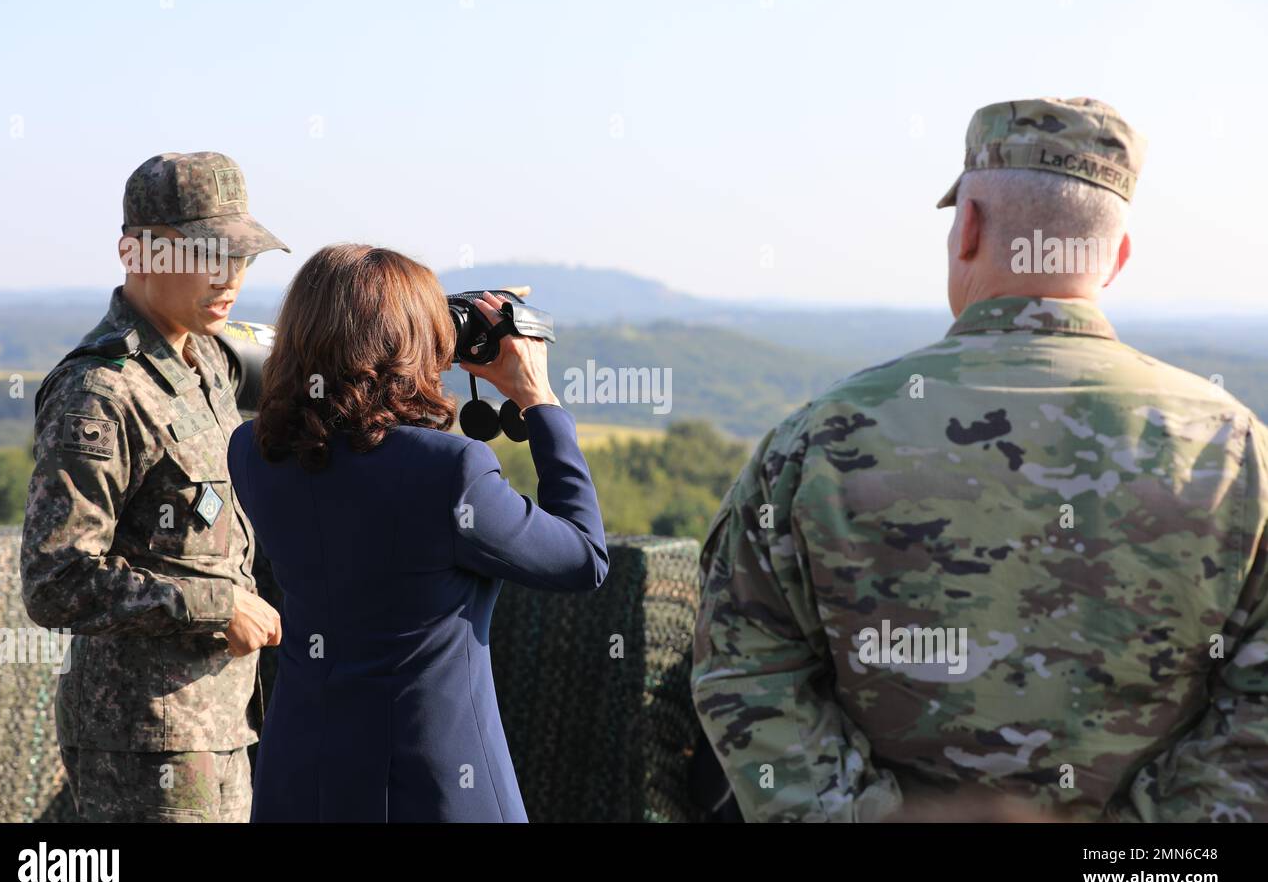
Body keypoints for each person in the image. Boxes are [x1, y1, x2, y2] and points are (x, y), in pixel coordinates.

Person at [692, 97, 1268, 822]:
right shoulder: (1237, 450)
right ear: (1118, 257)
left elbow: (746, 668)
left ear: (967, 229)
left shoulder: (816, 441)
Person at [228, 244, 608, 822]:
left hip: (298, 778)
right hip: (432, 789)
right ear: (411, 344)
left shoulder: (254, 455)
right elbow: (584, 558)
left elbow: (338, 443)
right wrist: (539, 401)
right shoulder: (450, 472)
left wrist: (418, 327)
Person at [20, 152, 290, 822]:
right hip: (146, 744)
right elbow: (55, 581)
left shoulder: (207, 362)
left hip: (220, 724)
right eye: (208, 256)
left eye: (243, 257)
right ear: (139, 253)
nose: (232, 278)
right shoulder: (99, 390)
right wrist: (214, 605)